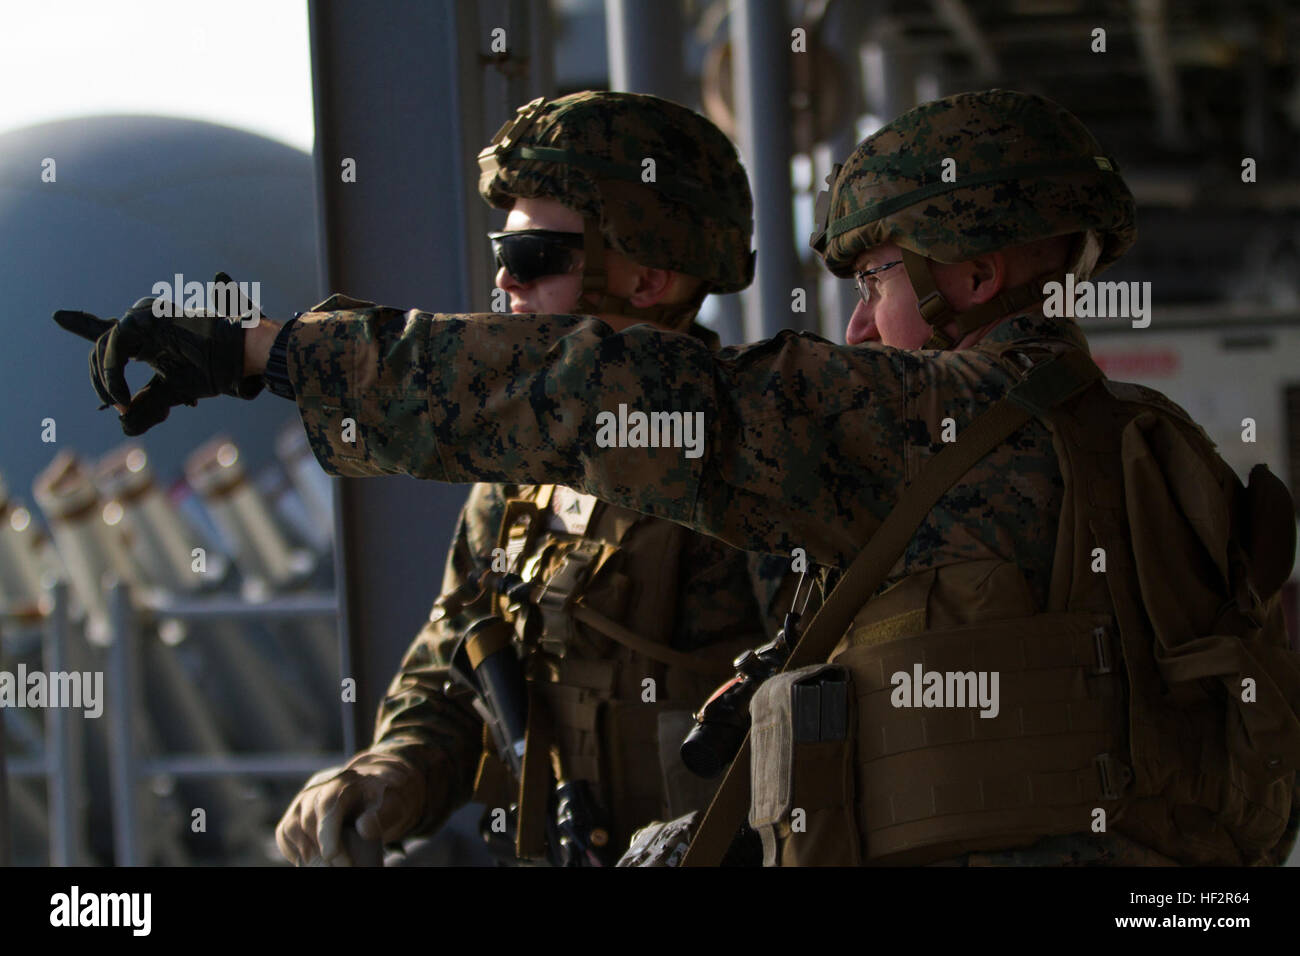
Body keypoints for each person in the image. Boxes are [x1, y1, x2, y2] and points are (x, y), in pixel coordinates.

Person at [55, 89, 1300, 867]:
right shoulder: (1153, 443)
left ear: (977, 276)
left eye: (877, 282)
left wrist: (266, 349)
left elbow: (594, 392)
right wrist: (403, 763)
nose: (859, 328)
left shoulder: (891, 437)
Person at [58, 92, 803, 867]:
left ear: (648, 279)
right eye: (500, 254)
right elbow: (457, 668)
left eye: (532, 258)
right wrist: (393, 772)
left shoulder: (755, 461)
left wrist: (267, 351)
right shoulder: (525, 480)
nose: (506, 286)